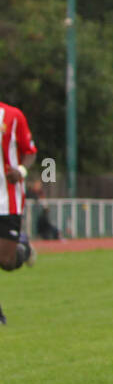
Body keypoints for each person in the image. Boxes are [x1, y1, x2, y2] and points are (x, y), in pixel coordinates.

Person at [0, 99, 39, 325]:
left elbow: (30, 151)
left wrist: (21, 170)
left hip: (8, 199)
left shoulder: (13, 116)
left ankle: (22, 248)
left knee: (6, 260)